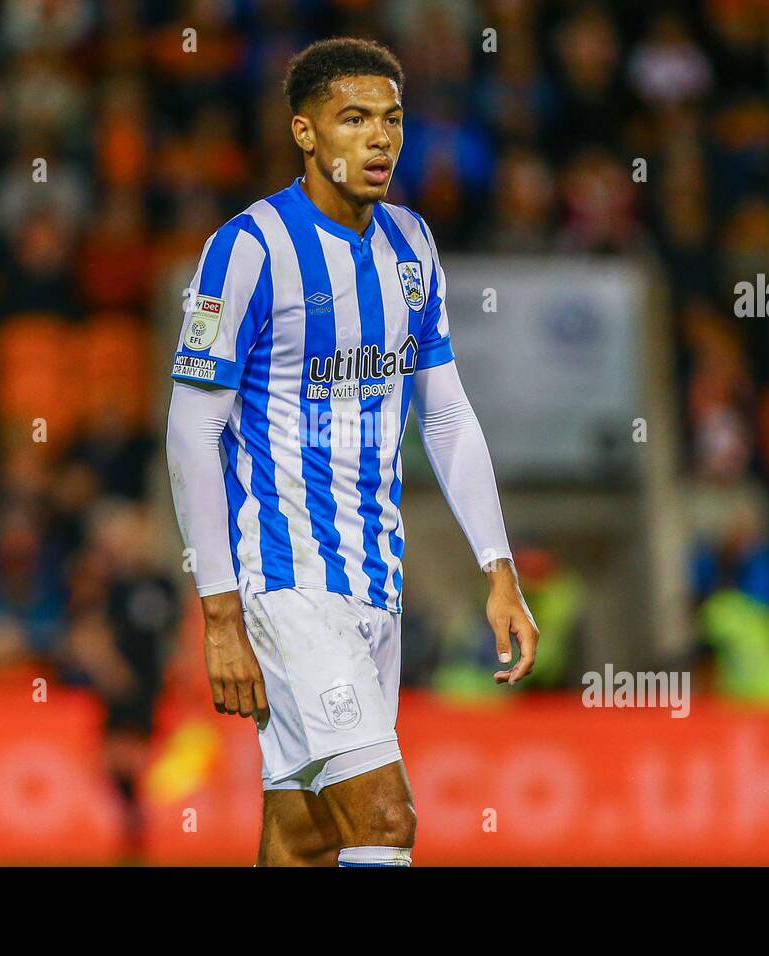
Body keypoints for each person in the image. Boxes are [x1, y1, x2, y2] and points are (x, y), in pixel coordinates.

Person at [165, 38, 538, 867]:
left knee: (304, 834)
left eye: (393, 121)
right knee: (385, 820)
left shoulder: (412, 244)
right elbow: (190, 429)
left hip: (376, 577)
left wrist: (498, 565)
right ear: (305, 133)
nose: (379, 140)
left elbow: (443, 412)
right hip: (286, 578)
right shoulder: (249, 248)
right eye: (355, 119)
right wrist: (220, 610)